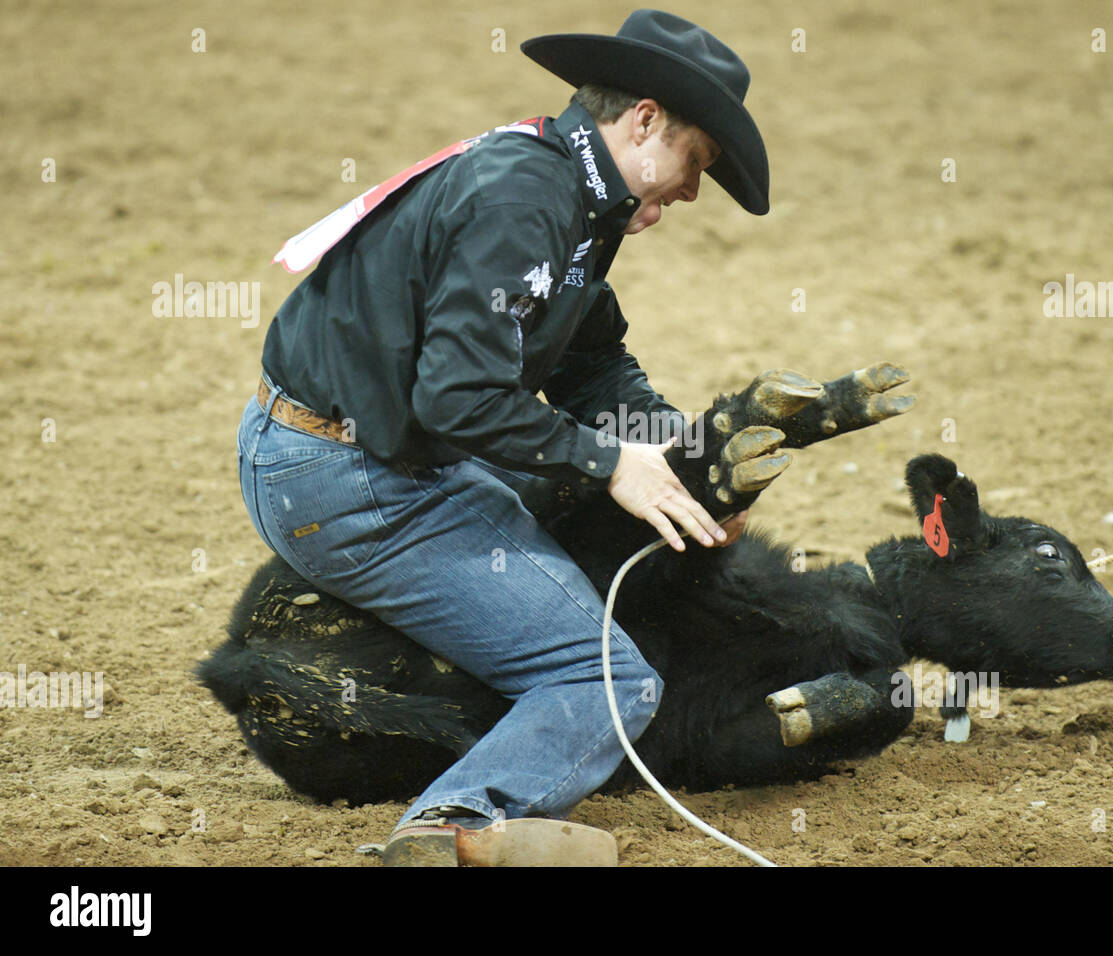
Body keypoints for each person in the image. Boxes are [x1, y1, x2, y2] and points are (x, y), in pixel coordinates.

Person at [235, 9, 769, 866]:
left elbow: (593, 365)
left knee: (575, 501)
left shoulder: (561, 191)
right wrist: (607, 462)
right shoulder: (529, 200)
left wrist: (677, 461)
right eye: (696, 161)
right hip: (352, 473)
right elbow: (459, 400)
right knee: (609, 682)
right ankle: (451, 823)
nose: (693, 190)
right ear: (642, 121)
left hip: (339, 447)